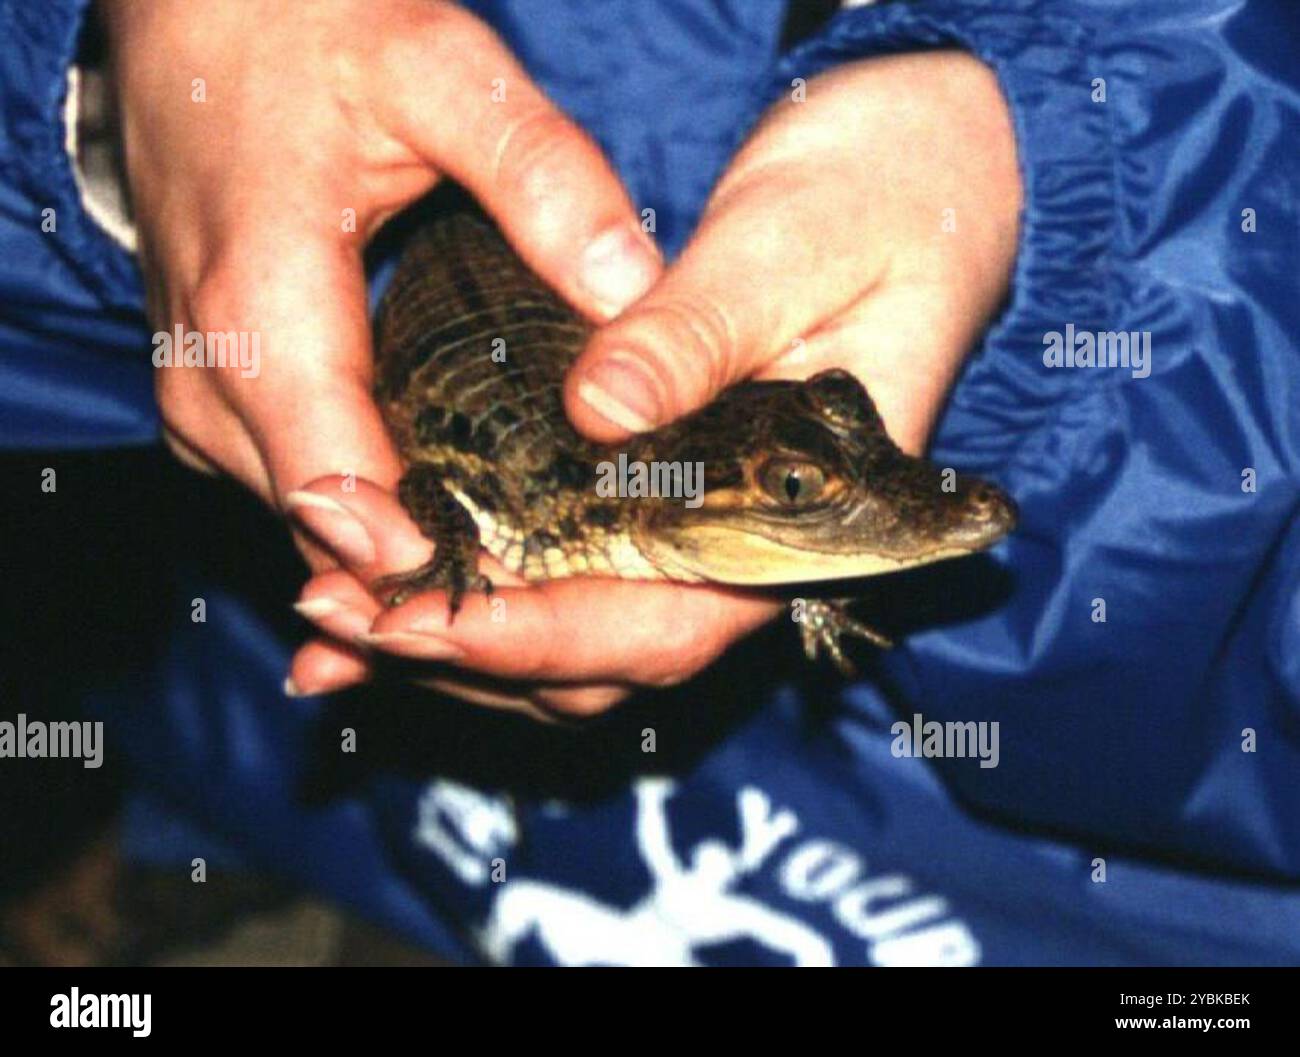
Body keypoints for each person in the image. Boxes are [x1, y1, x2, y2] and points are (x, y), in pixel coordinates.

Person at [3, 0, 1297, 965]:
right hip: (307, 554)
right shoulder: (578, 513)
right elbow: (456, 495)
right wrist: (132, 90)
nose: (938, 504)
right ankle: (205, 831)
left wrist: (1021, 157)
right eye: (800, 484)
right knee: (261, 702)